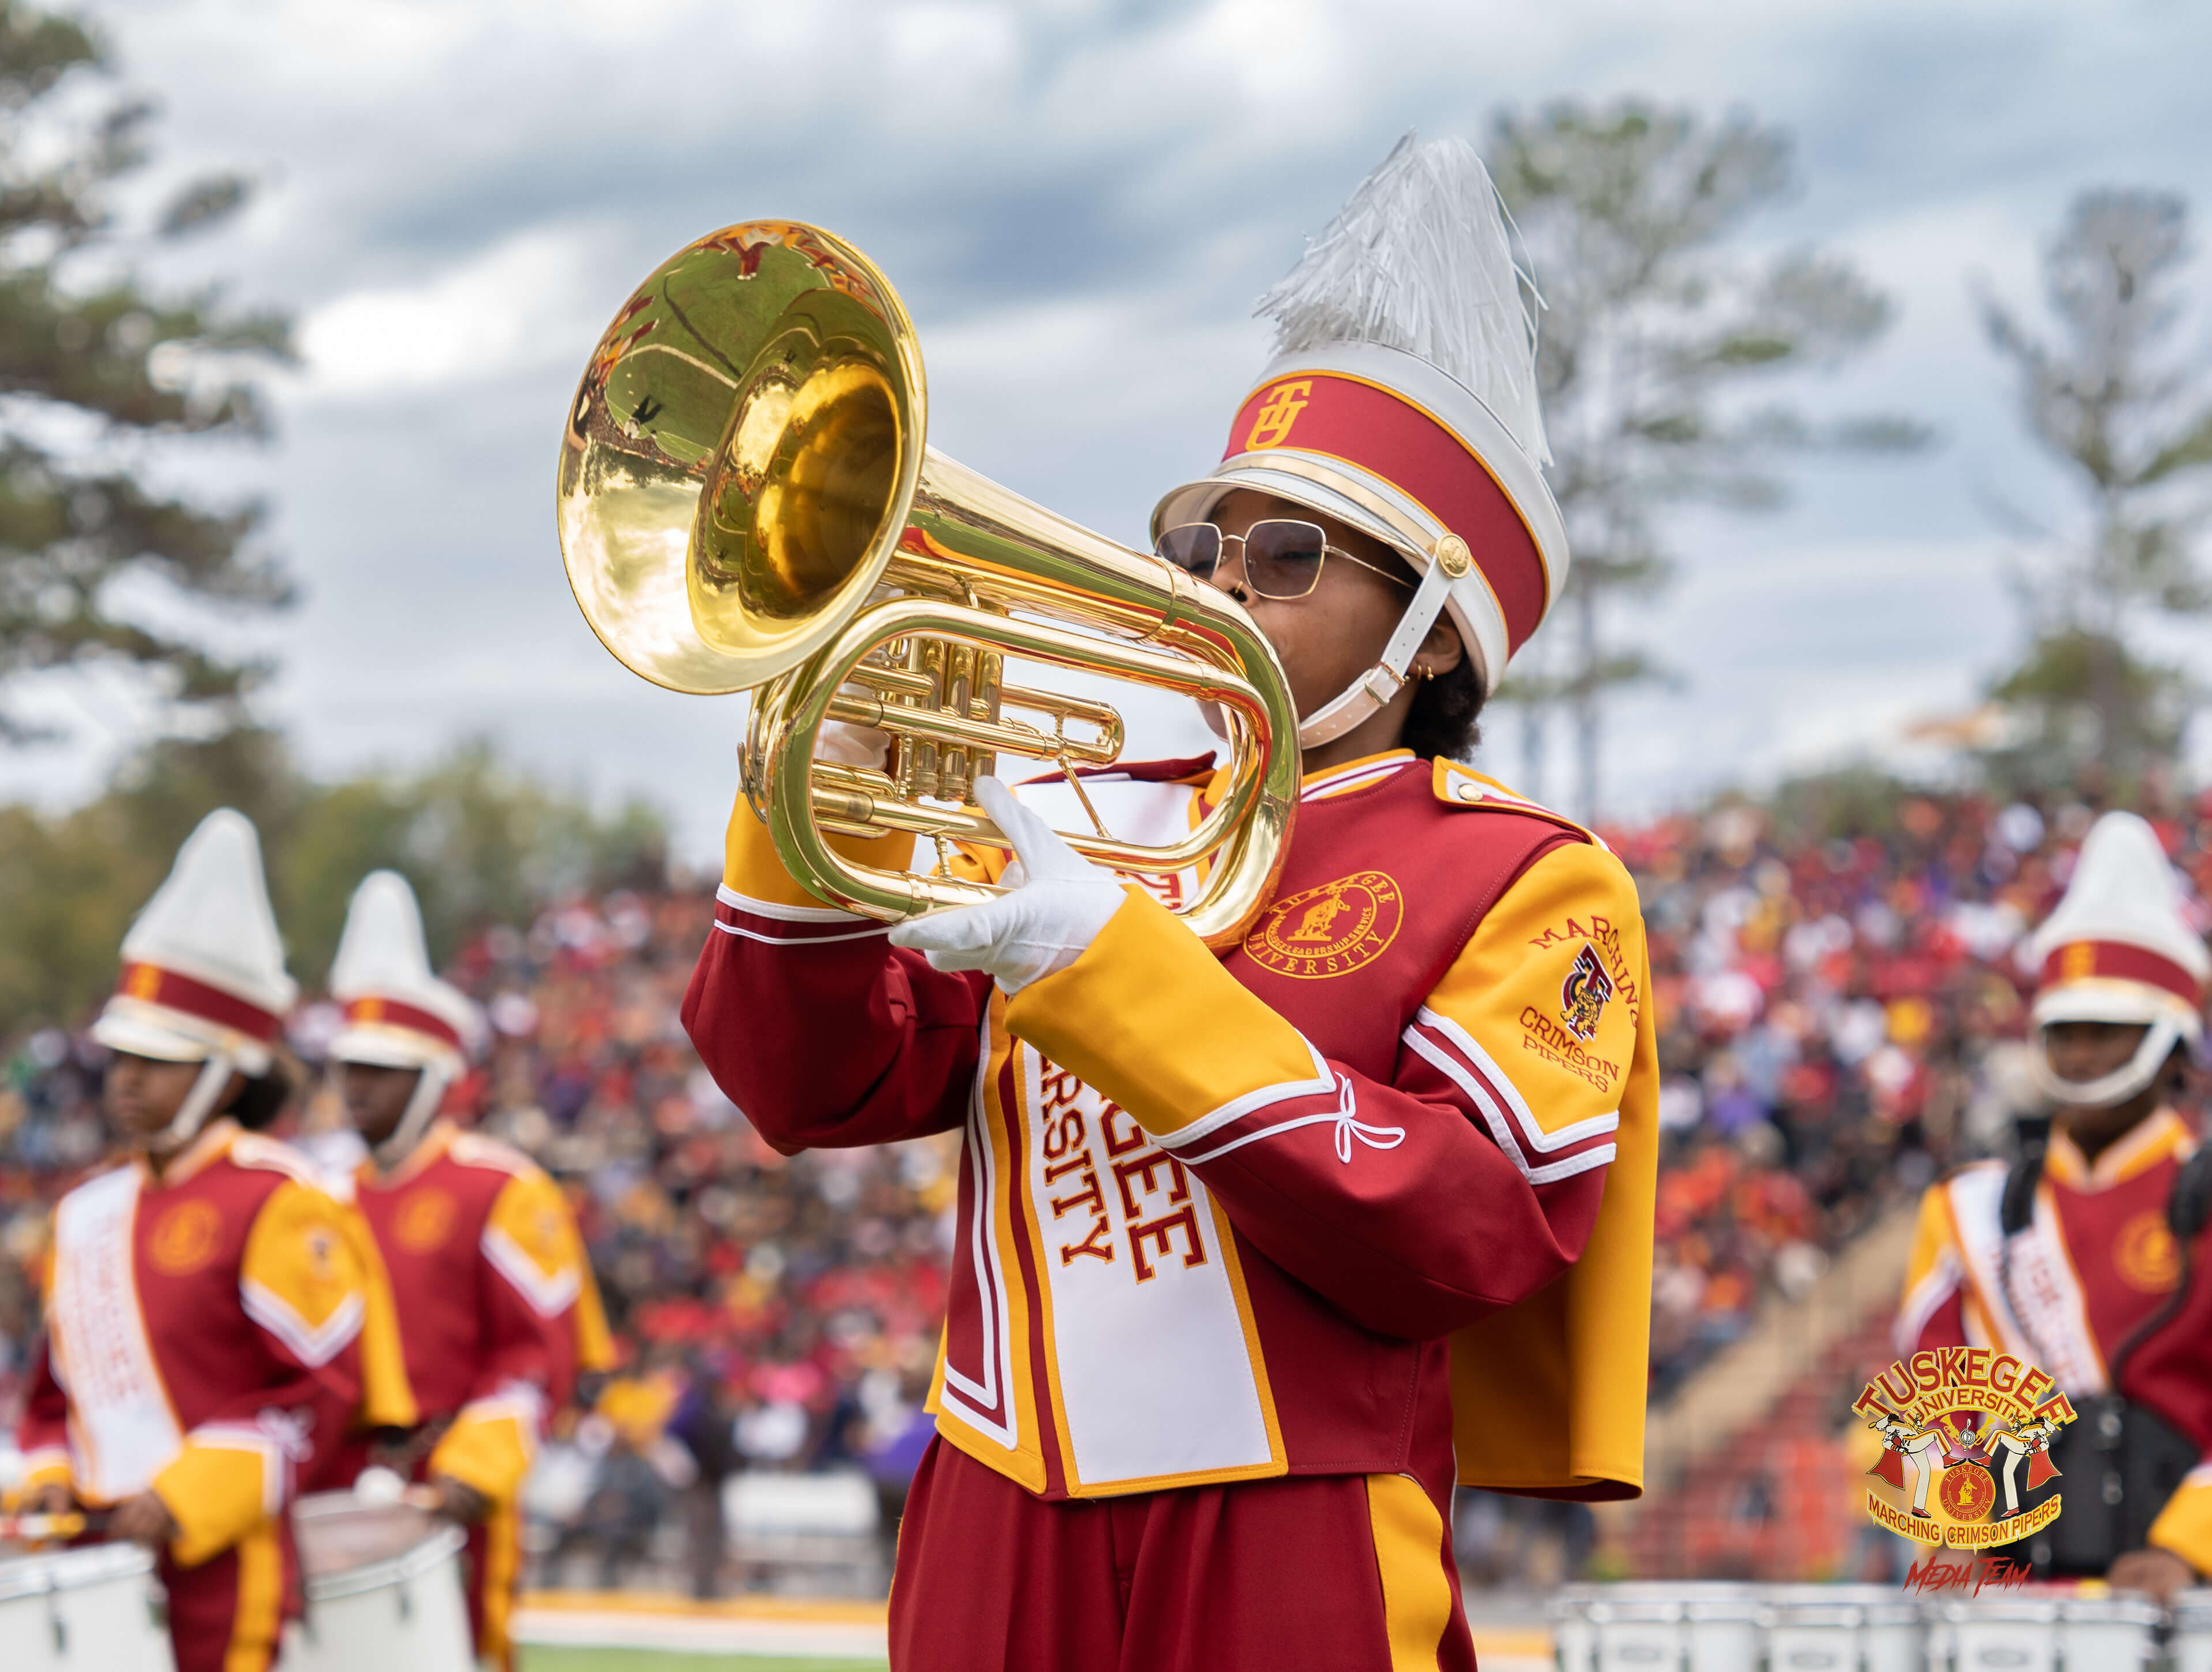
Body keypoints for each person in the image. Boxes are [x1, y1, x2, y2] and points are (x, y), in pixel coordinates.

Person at [685, 135, 1657, 1672]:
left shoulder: (1523, 870)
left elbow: (1470, 1228)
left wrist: (1106, 968)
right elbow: (803, 1084)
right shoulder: (1078, 812)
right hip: (995, 1488)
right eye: (1197, 542)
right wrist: (802, 784)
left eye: (1282, 553)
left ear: (1426, 635)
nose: (1214, 583)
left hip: (1293, 1512)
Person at [7, 811, 414, 1672]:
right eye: (119, 1056)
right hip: (92, 1554)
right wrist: (41, 1469)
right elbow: (53, 1392)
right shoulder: (85, 1211)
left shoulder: (279, 1198)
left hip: (223, 1556)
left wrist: (193, 1491)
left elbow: (316, 1391)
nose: (125, 1077)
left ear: (227, 1069)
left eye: (153, 1059)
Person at [1895, 809, 2212, 1601]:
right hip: (2024, 1593)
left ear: (2173, 1045)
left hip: (2190, 1586)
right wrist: (1956, 1533)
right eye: (2064, 1029)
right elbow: (1937, 1391)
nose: (2079, 1052)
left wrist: (2185, 1548)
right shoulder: (1968, 1209)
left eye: (2108, 1030)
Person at [318, 870, 612, 1670]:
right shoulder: (317, 1196)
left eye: (380, 1070)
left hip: (453, 1487)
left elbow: (535, 1353)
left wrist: (472, 1467)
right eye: (349, 1067)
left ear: (436, 1077)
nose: (356, 1087)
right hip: (334, 1489)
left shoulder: (500, 1187)